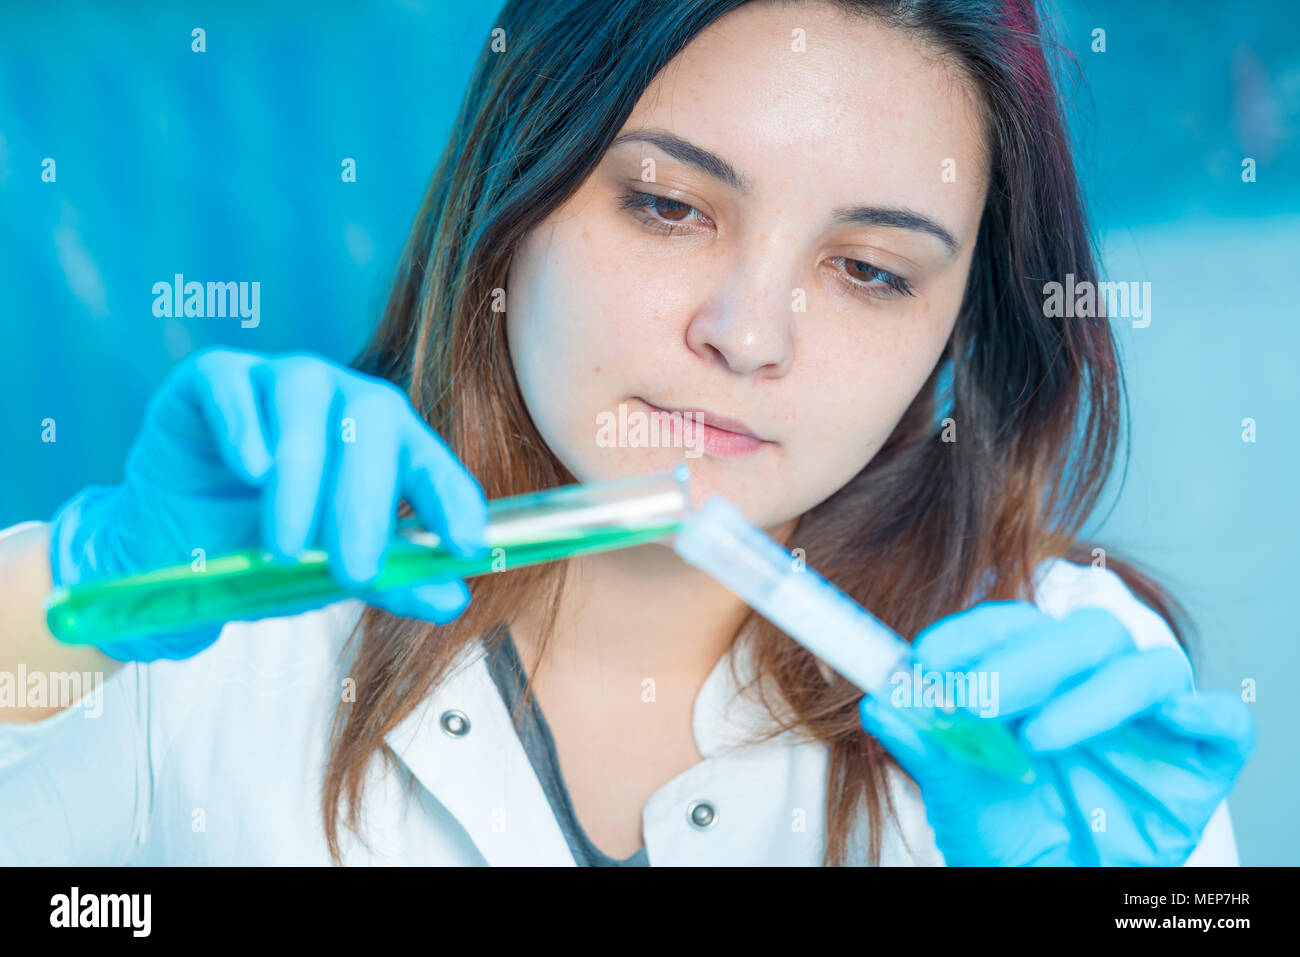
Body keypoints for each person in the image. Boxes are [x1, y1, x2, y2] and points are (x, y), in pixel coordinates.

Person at [0, 0, 1254, 866]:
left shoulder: (1058, 684)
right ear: (513, 200)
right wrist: (71, 587)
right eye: (666, 204)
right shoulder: (221, 636)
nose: (749, 334)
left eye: (871, 270)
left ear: (955, 335)